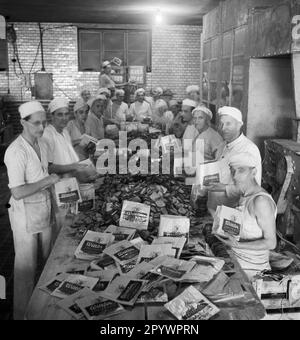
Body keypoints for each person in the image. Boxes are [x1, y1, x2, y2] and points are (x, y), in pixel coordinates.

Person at [4, 101, 60, 319]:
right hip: (24, 214)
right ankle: (21, 314)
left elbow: (46, 170)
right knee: (26, 267)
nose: (41, 128)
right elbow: (17, 192)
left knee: (47, 261)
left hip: (43, 207)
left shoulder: (42, 143)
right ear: (23, 123)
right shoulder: (16, 151)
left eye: (44, 123)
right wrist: (47, 180)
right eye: (36, 123)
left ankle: (44, 310)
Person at [215, 153, 277, 280]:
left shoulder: (260, 201)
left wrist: (237, 245)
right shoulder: (243, 195)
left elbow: (271, 243)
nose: (235, 175)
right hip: (235, 264)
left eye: (241, 170)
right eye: (233, 170)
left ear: (253, 172)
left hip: (253, 272)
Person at [206, 106, 262, 216]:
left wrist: (224, 188)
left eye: (228, 124)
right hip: (216, 211)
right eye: (221, 124)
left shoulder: (248, 149)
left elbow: (249, 189)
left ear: (239, 125)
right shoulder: (223, 146)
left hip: (232, 215)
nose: (223, 128)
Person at [42, 98, 85, 176]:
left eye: (66, 114)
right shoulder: (47, 135)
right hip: (58, 184)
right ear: (52, 116)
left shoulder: (64, 131)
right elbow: (48, 168)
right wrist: (73, 166)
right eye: (60, 114)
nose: (64, 118)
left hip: (71, 181)